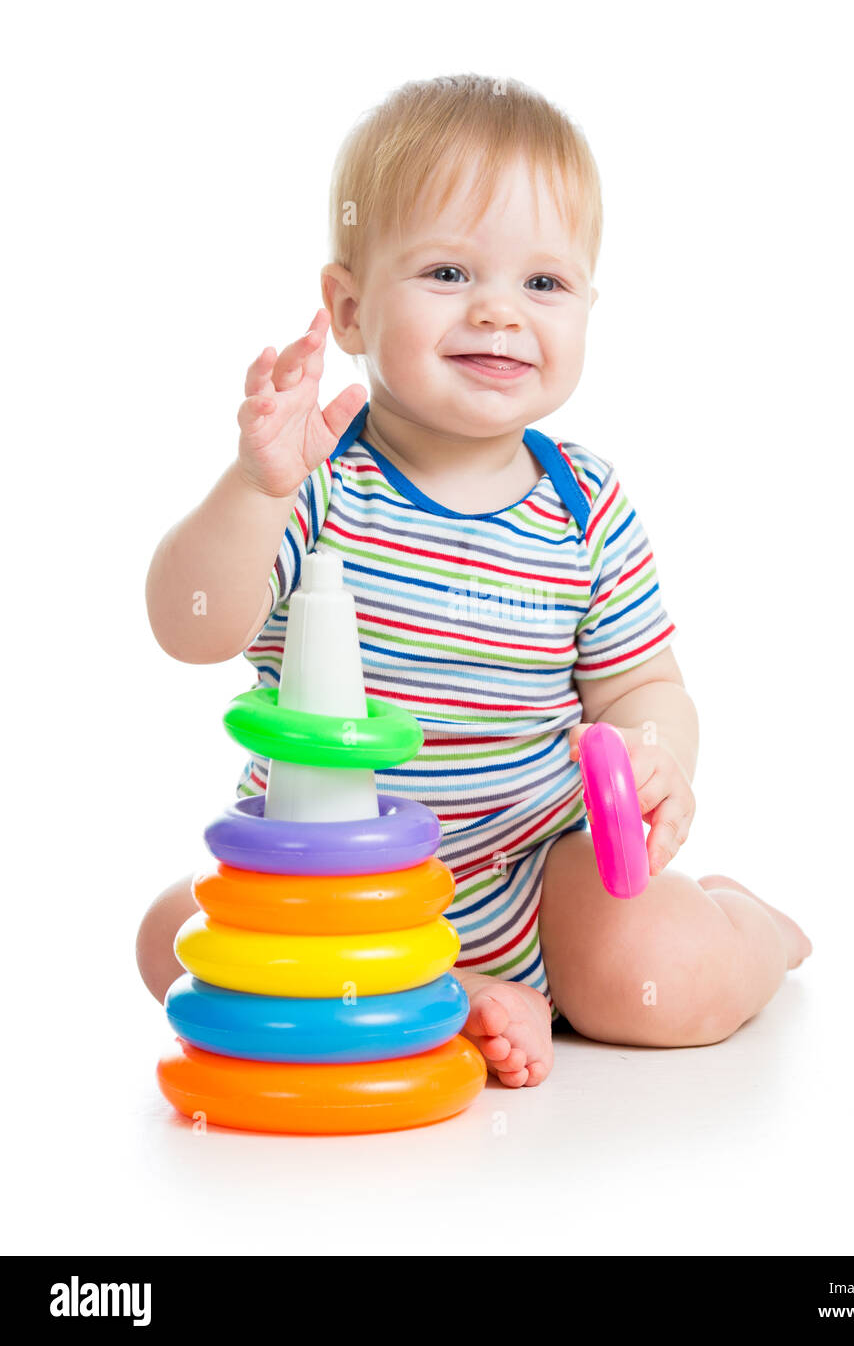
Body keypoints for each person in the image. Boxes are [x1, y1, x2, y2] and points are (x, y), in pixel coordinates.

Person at [138, 73, 811, 1090]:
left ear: (588, 305)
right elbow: (190, 623)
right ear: (351, 308)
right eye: (449, 271)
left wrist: (656, 755)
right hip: (334, 886)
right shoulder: (315, 483)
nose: (500, 310)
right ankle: (467, 999)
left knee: (670, 981)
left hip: (540, 876)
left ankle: (749, 927)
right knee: (170, 943)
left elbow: (639, 686)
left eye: (544, 284)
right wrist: (252, 488)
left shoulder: (584, 505)